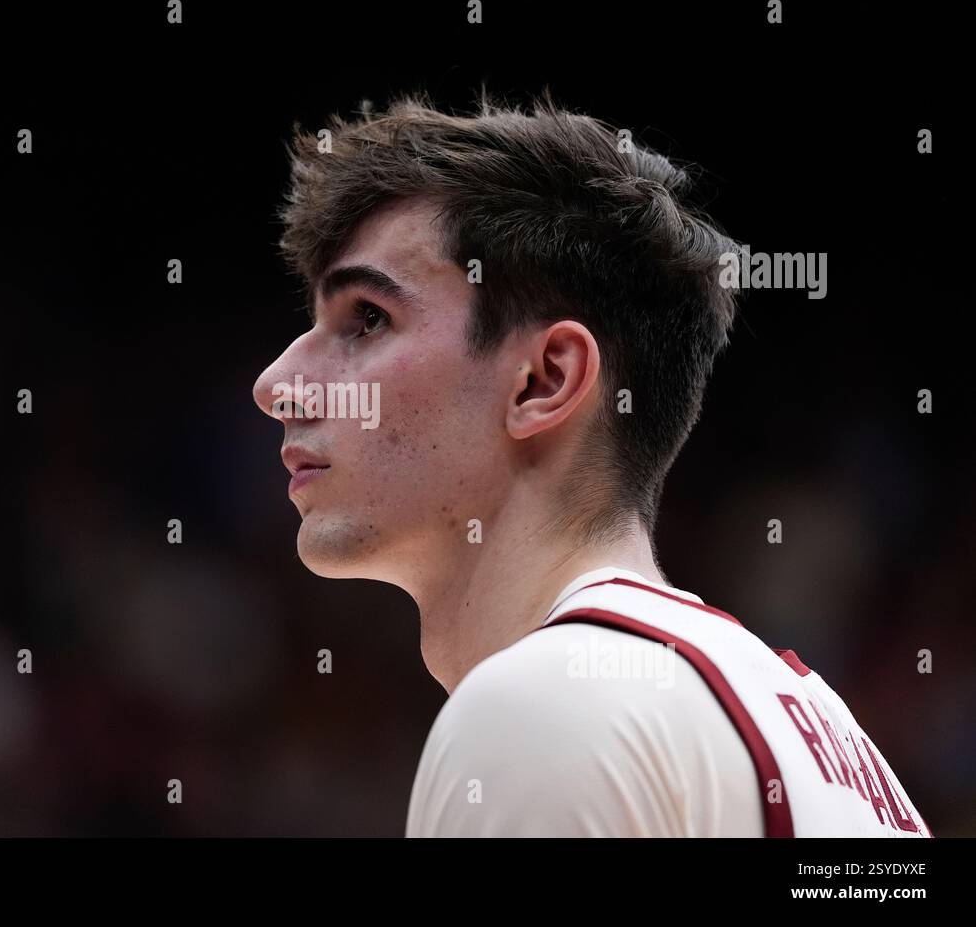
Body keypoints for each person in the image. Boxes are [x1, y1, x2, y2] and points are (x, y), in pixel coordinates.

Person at [251, 89, 931, 837]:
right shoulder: (829, 733)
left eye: (368, 319)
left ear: (544, 380)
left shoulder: (538, 710)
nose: (277, 386)